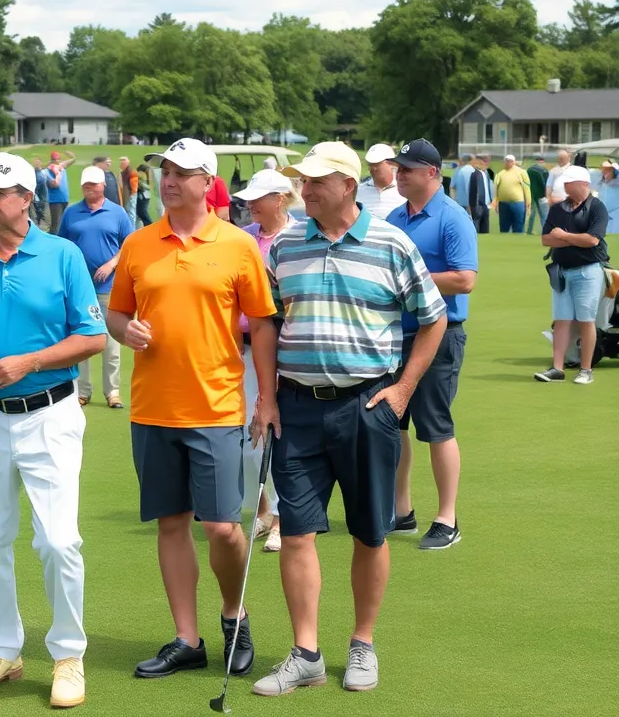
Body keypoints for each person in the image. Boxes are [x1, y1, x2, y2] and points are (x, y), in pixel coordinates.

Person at [252, 141, 447, 698]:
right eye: (303, 181)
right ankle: (306, 654)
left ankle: (363, 642)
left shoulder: (391, 243)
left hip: (366, 406)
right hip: (297, 408)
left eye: (315, 182)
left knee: (369, 532)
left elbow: (433, 318)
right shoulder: (285, 244)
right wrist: (267, 398)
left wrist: (403, 390)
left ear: (346, 184)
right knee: (296, 533)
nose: (304, 190)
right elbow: (266, 323)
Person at [0, 152, 106, 709]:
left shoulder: (62, 255)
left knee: (58, 540)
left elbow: (92, 336)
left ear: (27, 198)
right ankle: (2, 647)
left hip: (50, 414)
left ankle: (68, 654)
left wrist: (30, 362)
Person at [106, 138, 277, 684]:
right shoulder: (139, 243)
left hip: (217, 405)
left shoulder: (238, 244)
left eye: (182, 173)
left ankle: (234, 616)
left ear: (208, 182)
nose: (170, 180)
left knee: (223, 527)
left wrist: (267, 396)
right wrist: (125, 330)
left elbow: (262, 324)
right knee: (171, 523)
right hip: (153, 408)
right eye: (166, 171)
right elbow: (116, 314)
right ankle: (187, 639)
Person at [387, 139, 478, 551]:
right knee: (393, 423)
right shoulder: (395, 216)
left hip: (439, 333)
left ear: (432, 173)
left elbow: (464, 279)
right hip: (396, 334)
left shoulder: (452, 217)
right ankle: (401, 510)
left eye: (408, 169)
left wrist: (410, 279)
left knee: (435, 425)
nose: (400, 174)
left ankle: (447, 518)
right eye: (399, 168)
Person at [231, 169, 302, 554]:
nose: (250, 204)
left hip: (283, 350)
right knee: (246, 438)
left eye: (258, 198)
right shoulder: (242, 238)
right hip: (241, 349)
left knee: (275, 433)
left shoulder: (299, 238)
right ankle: (262, 511)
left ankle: (280, 518)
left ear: (280, 199)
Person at [58, 166, 134, 409]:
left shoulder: (117, 212)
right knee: (80, 338)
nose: (89, 188)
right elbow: (62, 246)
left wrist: (111, 264)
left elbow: (129, 244)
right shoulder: (71, 213)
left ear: (103, 185)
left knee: (111, 341)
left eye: (93, 184)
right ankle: (82, 391)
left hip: (109, 286)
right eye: (85, 185)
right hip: (78, 287)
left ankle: (112, 392)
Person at [535, 165, 609, 385]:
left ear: (583, 184)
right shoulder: (558, 209)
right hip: (562, 272)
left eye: (569, 183)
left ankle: (586, 370)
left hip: (588, 272)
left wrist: (564, 236)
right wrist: (576, 238)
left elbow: (593, 240)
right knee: (562, 321)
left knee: (586, 321)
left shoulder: (597, 207)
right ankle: (557, 368)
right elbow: (546, 239)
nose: (566, 187)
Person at [359, 144, 405, 220]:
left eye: (377, 164)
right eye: (370, 165)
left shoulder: (405, 189)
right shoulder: (359, 191)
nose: (373, 169)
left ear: (391, 164)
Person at [492, 154, 531, 234]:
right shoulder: (500, 174)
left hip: (518, 203)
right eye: (506, 161)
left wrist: (528, 202)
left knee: (518, 226)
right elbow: (496, 189)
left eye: (510, 161)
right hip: (503, 204)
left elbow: (527, 189)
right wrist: (495, 203)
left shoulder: (521, 172)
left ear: (514, 162)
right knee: (504, 227)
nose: (508, 163)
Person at [46, 149, 77, 233]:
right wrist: (57, 175)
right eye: (54, 159)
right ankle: (52, 239)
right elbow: (54, 184)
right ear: (51, 160)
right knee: (56, 225)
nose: (56, 161)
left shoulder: (61, 167)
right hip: (55, 200)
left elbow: (72, 160)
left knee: (62, 224)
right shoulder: (48, 170)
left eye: (57, 159)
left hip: (64, 199)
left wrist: (72, 156)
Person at [467, 155, 493, 234]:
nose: (486, 163)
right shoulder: (475, 174)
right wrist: (474, 206)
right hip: (478, 205)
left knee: (485, 228)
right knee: (477, 228)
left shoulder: (486, 174)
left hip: (486, 205)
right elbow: (474, 192)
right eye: (485, 161)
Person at [525, 154, 550, 235]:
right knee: (544, 214)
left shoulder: (529, 170)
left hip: (530, 195)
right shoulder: (544, 170)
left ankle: (529, 230)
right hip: (541, 195)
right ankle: (545, 231)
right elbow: (546, 183)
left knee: (531, 214)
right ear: (543, 161)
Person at [600, 161, 619, 234]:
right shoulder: (603, 185)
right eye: (603, 171)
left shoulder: (616, 183)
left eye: (607, 171)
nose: (605, 174)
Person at [120, 157, 139, 223]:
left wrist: (132, 194)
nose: (120, 165)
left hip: (131, 195)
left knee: (130, 212)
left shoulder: (131, 172)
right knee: (128, 211)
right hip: (127, 194)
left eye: (122, 163)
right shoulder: (124, 172)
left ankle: (132, 227)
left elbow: (134, 186)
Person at [32, 157, 49, 227]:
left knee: (39, 216)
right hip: (41, 199)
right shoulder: (41, 175)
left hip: (39, 198)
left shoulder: (38, 174)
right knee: (41, 216)